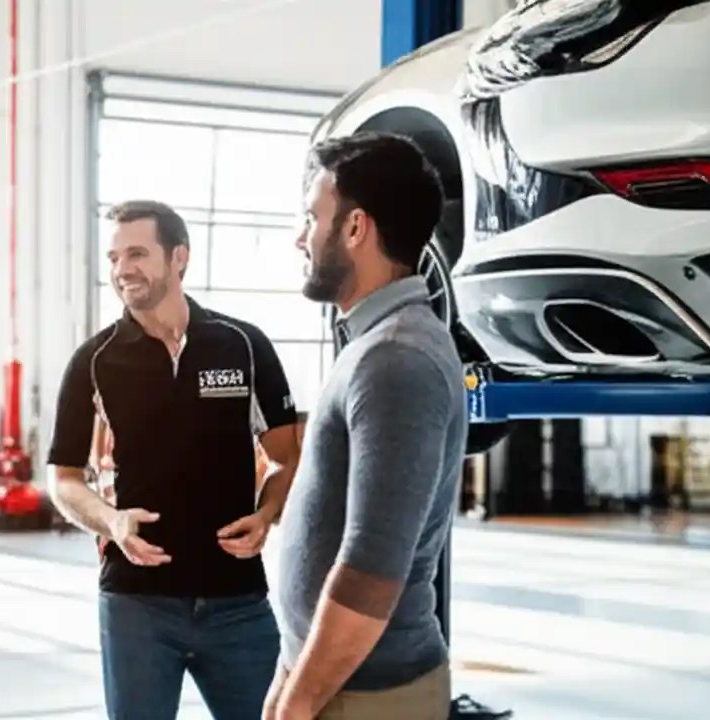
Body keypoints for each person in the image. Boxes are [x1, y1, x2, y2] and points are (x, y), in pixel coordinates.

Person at [47, 199, 302, 719]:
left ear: (179, 257)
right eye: (114, 257)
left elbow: (287, 458)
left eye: (137, 254)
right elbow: (64, 478)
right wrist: (112, 521)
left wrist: (267, 514)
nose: (122, 269)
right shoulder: (94, 361)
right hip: (136, 604)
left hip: (237, 600)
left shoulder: (243, 345)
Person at [266, 132, 468, 720]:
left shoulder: (396, 359)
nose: (301, 237)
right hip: (334, 681)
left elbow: (371, 571)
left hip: (368, 696)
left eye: (313, 218)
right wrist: (289, 670)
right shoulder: (375, 343)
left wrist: (297, 703)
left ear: (356, 228)